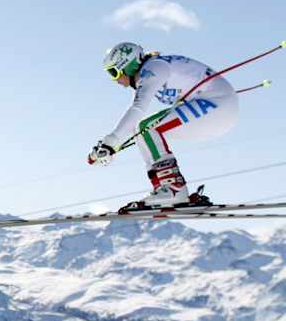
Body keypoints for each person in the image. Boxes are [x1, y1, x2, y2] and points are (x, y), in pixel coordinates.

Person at [88, 42, 239, 210]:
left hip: (217, 105)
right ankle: (165, 188)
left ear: (128, 66)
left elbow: (138, 108)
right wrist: (111, 146)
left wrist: (110, 142)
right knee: (142, 131)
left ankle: (174, 189)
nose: (114, 80)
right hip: (218, 108)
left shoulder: (154, 68)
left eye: (113, 72)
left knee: (148, 128)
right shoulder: (153, 69)